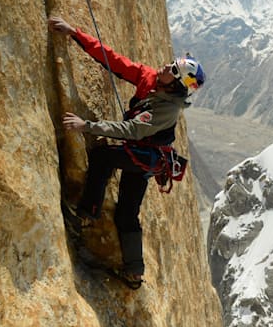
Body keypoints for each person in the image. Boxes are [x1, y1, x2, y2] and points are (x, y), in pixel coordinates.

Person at [49, 15, 204, 289]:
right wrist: (75, 34)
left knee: (103, 156)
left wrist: (87, 126)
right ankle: (133, 270)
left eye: (172, 68)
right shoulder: (150, 78)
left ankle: (87, 214)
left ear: (176, 83)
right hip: (144, 154)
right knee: (127, 212)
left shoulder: (167, 109)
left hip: (145, 156)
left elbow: (131, 130)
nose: (166, 65)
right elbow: (114, 61)